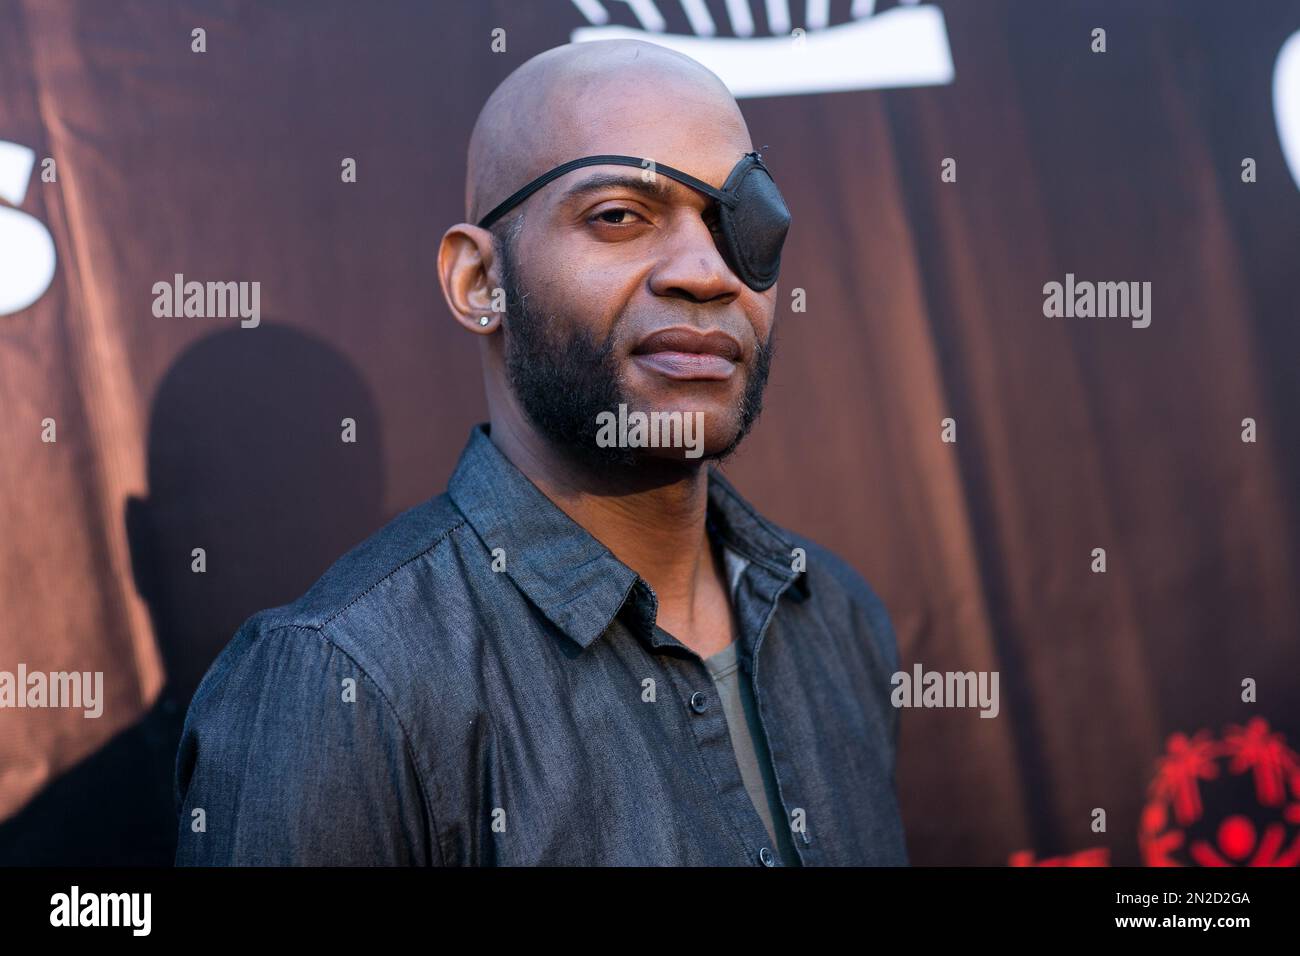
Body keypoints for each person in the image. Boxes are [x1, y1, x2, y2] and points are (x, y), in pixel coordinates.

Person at [174, 38, 907, 866]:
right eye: (619, 216)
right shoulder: (343, 684)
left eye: (741, 223)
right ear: (478, 282)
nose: (708, 273)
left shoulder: (836, 620)